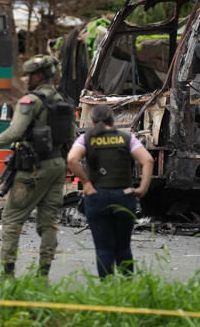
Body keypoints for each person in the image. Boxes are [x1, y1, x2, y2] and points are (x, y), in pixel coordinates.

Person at [0, 54, 72, 277]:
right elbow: (71, 136)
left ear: (38, 76)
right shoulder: (63, 102)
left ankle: (7, 275)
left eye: (29, 75)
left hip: (32, 168)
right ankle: (43, 275)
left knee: (11, 219)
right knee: (49, 223)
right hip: (57, 166)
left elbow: (15, 132)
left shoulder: (29, 102)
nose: (26, 79)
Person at [66, 104, 153, 278]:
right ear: (112, 120)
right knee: (123, 247)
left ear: (92, 121)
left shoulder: (86, 138)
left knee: (103, 248)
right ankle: (127, 288)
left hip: (96, 198)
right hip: (124, 197)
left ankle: (107, 290)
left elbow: (72, 159)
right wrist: (143, 188)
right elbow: (148, 160)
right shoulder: (126, 138)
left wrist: (86, 183)